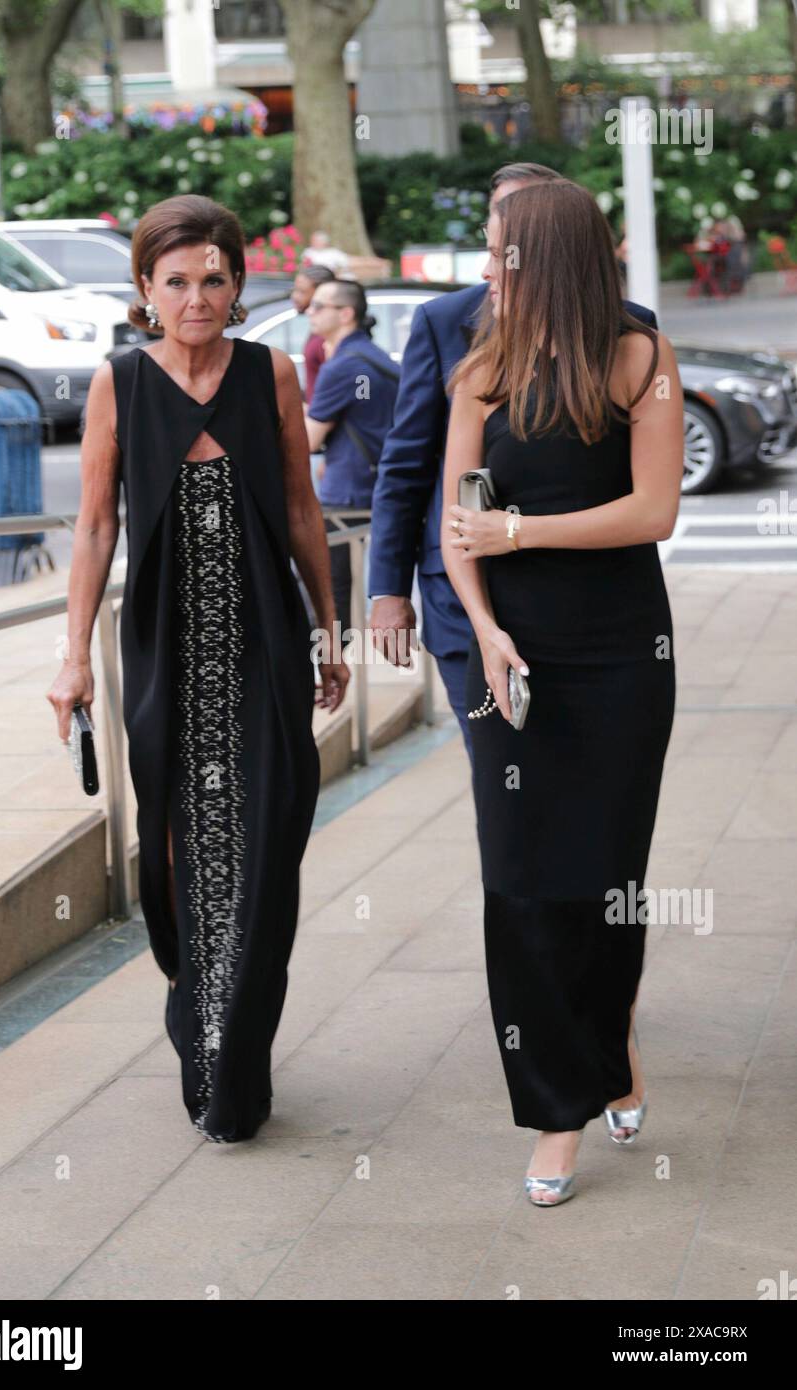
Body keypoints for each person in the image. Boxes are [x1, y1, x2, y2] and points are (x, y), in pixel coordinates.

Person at [46, 195, 350, 1144]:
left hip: (262, 641)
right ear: (145, 290)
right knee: (181, 848)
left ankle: (236, 1058)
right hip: (166, 647)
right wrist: (72, 659)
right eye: (176, 281)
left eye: (214, 278)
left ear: (236, 283)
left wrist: (329, 630)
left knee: (263, 848)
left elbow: (303, 510)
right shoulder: (119, 386)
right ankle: (196, 1012)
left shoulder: (272, 376)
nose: (197, 297)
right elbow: (96, 527)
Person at [442, 179, 682, 1206]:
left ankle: (611, 1039)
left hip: (623, 656)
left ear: (551, 255)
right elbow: (460, 525)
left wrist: (522, 532)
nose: (488, 268)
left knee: (602, 878)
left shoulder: (636, 357)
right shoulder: (482, 369)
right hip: (513, 659)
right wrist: (486, 628)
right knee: (519, 882)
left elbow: (654, 509)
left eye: (502, 251)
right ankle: (554, 1108)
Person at [367, 163, 659, 759]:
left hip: (598, 607)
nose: (490, 264)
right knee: (505, 788)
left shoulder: (634, 338)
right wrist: (387, 591)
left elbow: (644, 494)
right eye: (493, 238)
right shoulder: (447, 324)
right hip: (463, 603)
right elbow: (407, 466)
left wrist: (523, 532)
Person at [304, 279, 399, 644]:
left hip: (347, 493)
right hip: (377, 483)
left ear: (345, 314)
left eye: (318, 306)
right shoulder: (373, 356)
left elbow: (309, 439)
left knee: (330, 587)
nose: (310, 313)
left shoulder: (343, 366)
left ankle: (330, 667)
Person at [290, 264, 337, 403]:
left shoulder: (329, 336)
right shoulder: (318, 331)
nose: (294, 296)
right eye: (295, 290)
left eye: (301, 291)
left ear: (321, 294)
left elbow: (333, 389)